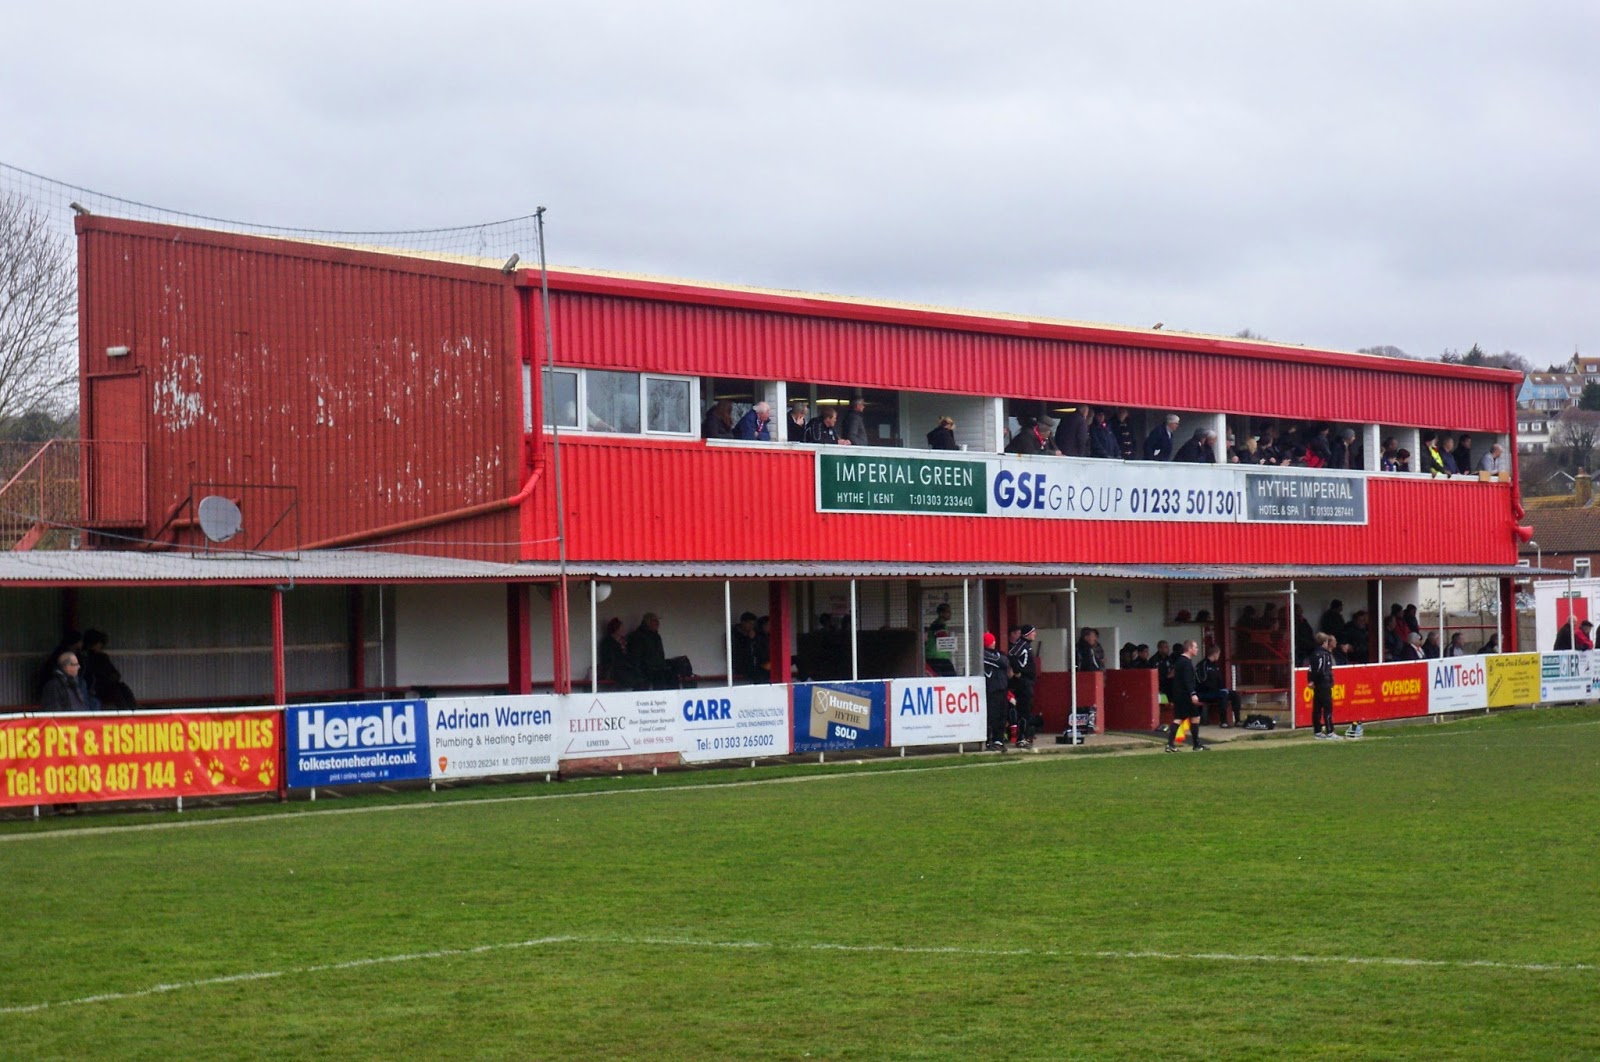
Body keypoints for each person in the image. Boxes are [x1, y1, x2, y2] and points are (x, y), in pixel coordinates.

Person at [1165, 639, 1207, 751]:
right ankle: (1196, 744)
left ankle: (1170, 745)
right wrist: (1192, 693)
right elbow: (1188, 680)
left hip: (1178, 695)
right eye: (1195, 647)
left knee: (1178, 718)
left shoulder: (1179, 661)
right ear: (1189, 649)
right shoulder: (1187, 663)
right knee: (1195, 717)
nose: (1197, 649)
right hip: (1186, 695)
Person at [627, 612, 688, 689]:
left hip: (659, 669)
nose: (658, 623)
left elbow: (660, 655)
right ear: (648, 622)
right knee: (660, 680)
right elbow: (635, 658)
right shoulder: (637, 636)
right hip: (647, 670)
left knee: (673, 677)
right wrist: (639, 674)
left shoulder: (656, 636)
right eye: (655, 621)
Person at [81, 629, 135, 710]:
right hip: (97, 688)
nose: (101, 646)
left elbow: (115, 672)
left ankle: (133, 711)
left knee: (123, 688)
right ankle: (125, 712)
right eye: (99, 643)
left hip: (110, 684)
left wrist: (113, 677)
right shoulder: (85, 658)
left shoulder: (103, 657)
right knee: (116, 691)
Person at [1195, 645, 1241, 727]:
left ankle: (1237, 720)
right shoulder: (1202, 665)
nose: (1218, 656)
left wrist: (1222, 689)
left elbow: (1219, 681)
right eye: (1218, 654)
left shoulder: (1215, 666)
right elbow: (1201, 682)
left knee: (1234, 694)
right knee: (1223, 695)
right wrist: (1217, 690)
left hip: (1216, 692)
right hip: (1204, 693)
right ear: (1215, 654)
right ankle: (1223, 722)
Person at [1007, 625, 1038, 748]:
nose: (1035, 634)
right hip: (1023, 683)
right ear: (1027, 634)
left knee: (1027, 710)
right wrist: (1018, 671)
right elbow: (1011, 655)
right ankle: (1020, 738)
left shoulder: (1027, 646)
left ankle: (1025, 736)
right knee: (1023, 710)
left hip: (1028, 682)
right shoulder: (1022, 645)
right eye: (1033, 632)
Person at [982, 632, 1011, 751]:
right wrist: (1002, 661)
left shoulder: (998, 653)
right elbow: (1003, 662)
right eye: (991, 641)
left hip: (1002, 688)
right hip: (991, 689)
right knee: (991, 716)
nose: (994, 643)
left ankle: (998, 740)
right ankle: (988, 741)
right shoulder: (983, 654)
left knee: (1001, 716)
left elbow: (1005, 662)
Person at [598, 617, 644, 689]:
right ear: (615, 629)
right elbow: (610, 659)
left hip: (626, 668)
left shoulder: (624, 642)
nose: (624, 630)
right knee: (632, 679)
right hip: (614, 670)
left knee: (641, 678)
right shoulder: (607, 642)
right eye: (621, 628)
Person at [1308, 632, 1337, 739]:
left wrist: (1311, 681)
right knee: (1327, 708)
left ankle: (1317, 731)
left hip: (1317, 685)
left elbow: (1311, 669)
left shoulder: (1314, 653)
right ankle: (1330, 732)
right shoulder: (1324, 655)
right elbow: (1321, 670)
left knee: (1317, 708)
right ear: (1325, 642)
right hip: (1324, 684)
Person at [731, 612, 768, 684]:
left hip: (755, 666)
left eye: (753, 624)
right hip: (741, 667)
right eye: (750, 623)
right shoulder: (734, 634)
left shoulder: (755, 634)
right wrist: (749, 639)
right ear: (743, 622)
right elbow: (739, 651)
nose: (751, 626)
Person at [924, 603, 957, 677]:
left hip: (938, 656)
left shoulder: (938, 623)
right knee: (951, 677)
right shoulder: (939, 624)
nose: (950, 614)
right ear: (941, 613)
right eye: (948, 612)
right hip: (937, 656)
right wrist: (952, 643)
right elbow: (942, 638)